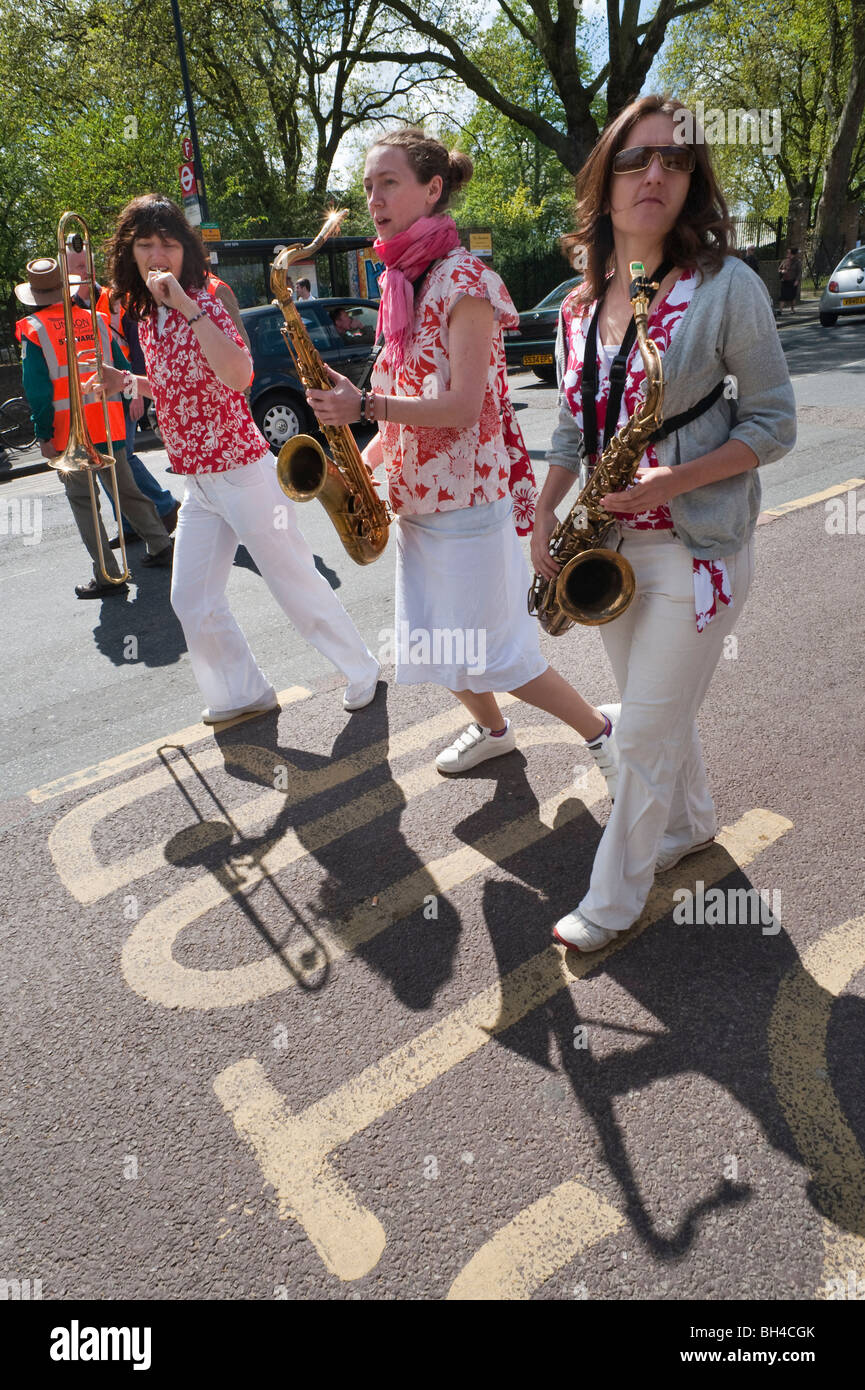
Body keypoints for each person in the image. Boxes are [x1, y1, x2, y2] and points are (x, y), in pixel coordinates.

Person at [529, 93, 796, 952]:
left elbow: (772, 423)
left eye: (675, 162)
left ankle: (611, 901)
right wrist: (542, 511)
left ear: (691, 183)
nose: (656, 175)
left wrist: (668, 480)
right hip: (608, 552)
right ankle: (690, 824)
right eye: (638, 158)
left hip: (697, 546)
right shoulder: (575, 306)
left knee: (639, 731)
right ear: (604, 179)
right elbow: (574, 427)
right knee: (661, 710)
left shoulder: (728, 287)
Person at [306, 127, 619, 784]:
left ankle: (602, 735)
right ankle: (494, 731)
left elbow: (461, 406)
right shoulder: (398, 283)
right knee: (434, 649)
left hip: (475, 502)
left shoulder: (466, 280)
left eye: (388, 182)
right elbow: (395, 400)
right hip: (418, 502)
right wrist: (353, 468)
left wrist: (365, 406)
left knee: (501, 656)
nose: (374, 198)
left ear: (432, 188)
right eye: (368, 186)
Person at [87, 193, 380, 724]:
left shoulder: (205, 298)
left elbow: (238, 375)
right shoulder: (143, 312)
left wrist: (187, 306)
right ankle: (243, 691)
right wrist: (129, 381)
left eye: (168, 245)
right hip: (197, 481)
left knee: (293, 580)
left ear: (186, 251)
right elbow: (179, 386)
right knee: (191, 600)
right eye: (146, 245)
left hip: (243, 473)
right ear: (128, 253)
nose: (157, 255)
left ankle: (361, 668)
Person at [14, 256, 173, 598]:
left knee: (85, 503)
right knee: (125, 490)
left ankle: (108, 574)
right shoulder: (96, 320)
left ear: (36, 295)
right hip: (108, 423)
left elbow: (38, 392)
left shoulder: (33, 329)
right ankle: (161, 545)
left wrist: (43, 435)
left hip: (68, 433)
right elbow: (122, 365)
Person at [64, 233, 180, 541]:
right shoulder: (69, 307)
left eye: (84, 263)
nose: (82, 271)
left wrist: (135, 392)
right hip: (94, 393)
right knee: (105, 458)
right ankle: (130, 524)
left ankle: (164, 506)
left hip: (124, 388)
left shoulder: (115, 298)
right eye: (75, 266)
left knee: (123, 456)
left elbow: (137, 348)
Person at [779, 247, 801, 312]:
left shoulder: (797, 262)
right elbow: (779, 269)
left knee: (792, 296)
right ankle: (780, 310)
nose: (788, 255)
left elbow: (799, 272)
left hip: (792, 281)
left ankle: (792, 309)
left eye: (789, 253)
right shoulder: (784, 261)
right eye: (788, 253)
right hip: (785, 280)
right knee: (782, 296)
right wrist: (782, 271)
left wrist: (797, 280)